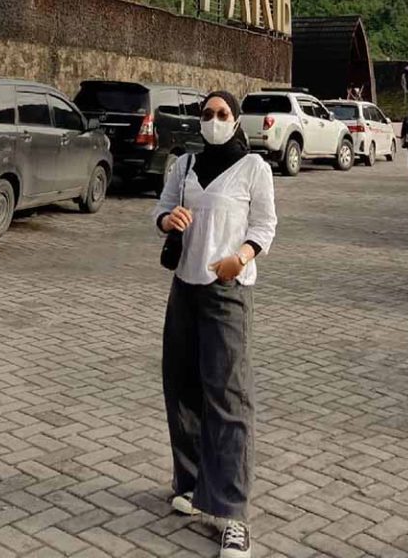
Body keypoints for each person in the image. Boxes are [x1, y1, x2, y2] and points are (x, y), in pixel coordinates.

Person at [153, 90, 277, 558]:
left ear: (236, 120)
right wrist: (168, 220)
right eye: (207, 114)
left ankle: (232, 515)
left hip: (227, 291)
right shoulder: (183, 165)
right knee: (181, 386)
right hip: (184, 288)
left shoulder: (254, 169)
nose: (214, 120)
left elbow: (264, 226)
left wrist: (240, 257)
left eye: (223, 114)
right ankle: (190, 483)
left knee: (228, 397)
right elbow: (159, 210)